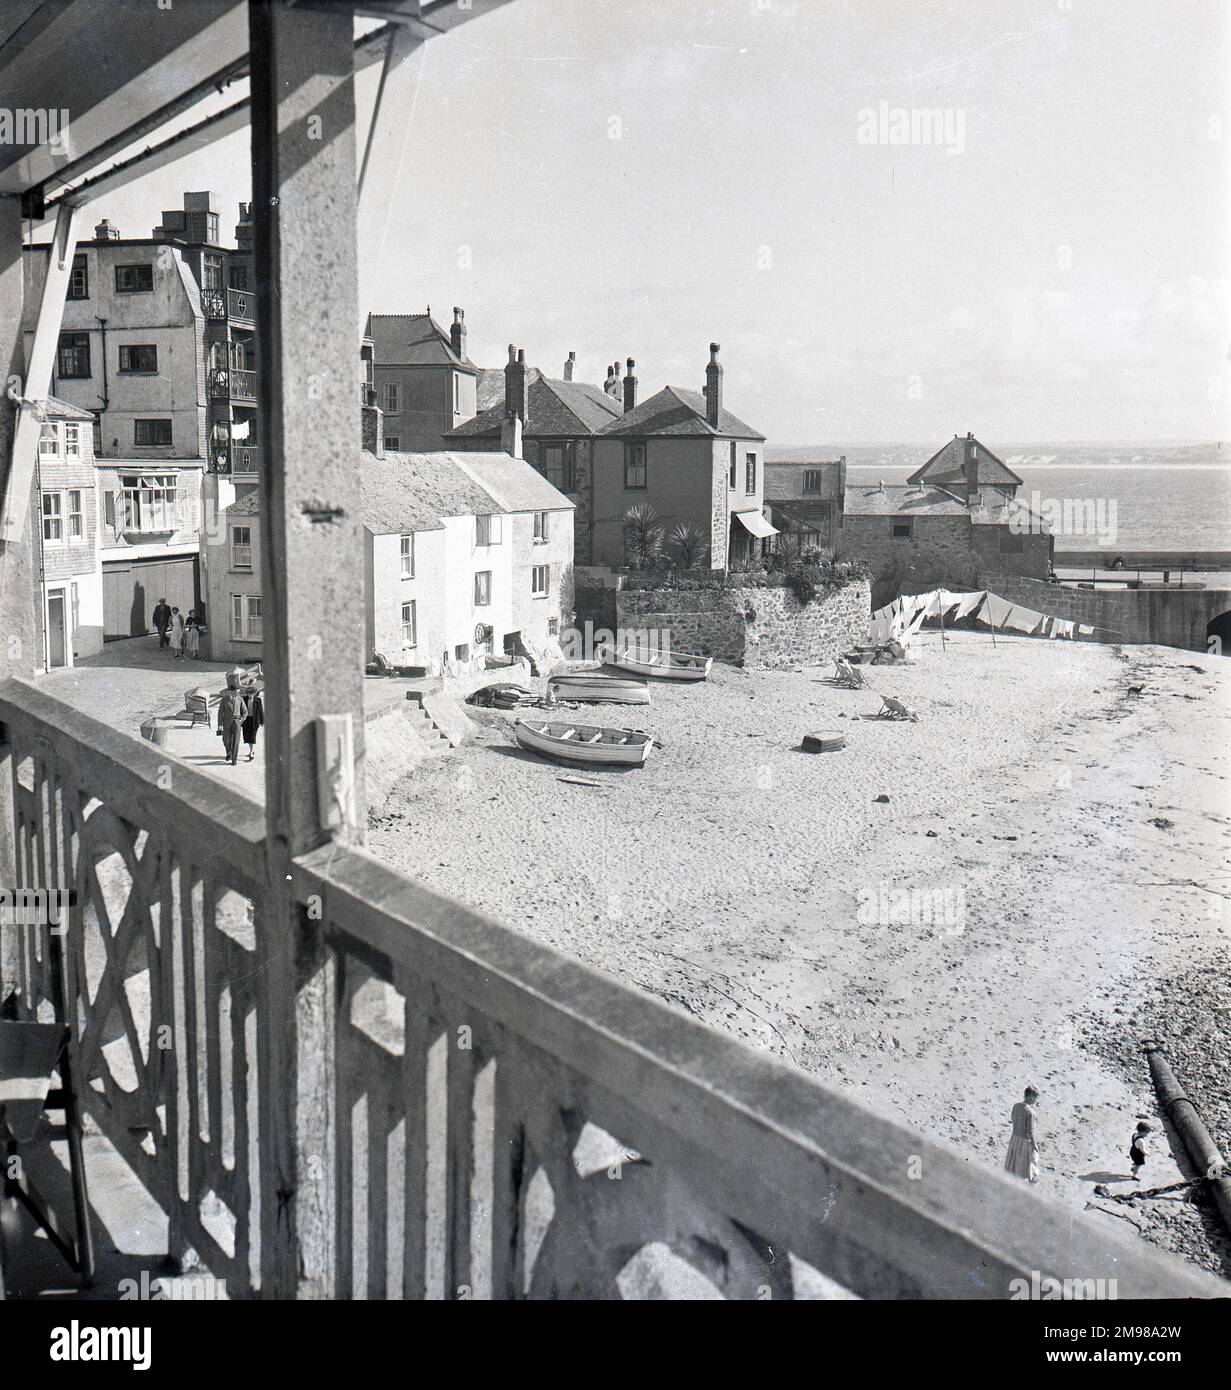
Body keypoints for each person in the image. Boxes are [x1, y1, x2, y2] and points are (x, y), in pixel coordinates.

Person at [1004, 1085, 1041, 1183]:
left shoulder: (1016, 1106)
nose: (1035, 1101)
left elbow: (1013, 1120)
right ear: (1031, 1096)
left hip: (1014, 1138)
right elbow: (1030, 1132)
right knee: (1028, 1165)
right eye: (1036, 1098)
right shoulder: (1030, 1112)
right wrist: (1034, 1145)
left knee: (1013, 1164)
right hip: (1024, 1141)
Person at [216, 673, 250, 766]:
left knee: (236, 741)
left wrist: (241, 720)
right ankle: (228, 752)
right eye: (236, 692)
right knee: (226, 740)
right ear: (231, 692)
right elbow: (220, 712)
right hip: (226, 722)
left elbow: (245, 711)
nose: (237, 693)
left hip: (237, 722)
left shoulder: (240, 699)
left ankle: (234, 760)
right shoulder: (224, 699)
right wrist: (219, 724)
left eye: (238, 692)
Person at [241, 685, 264, 761]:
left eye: (252, 694)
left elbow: (260, 711)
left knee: (252, 736)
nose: (250, 695)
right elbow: (241, 710)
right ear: (247, 693)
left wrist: (262, 721)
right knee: (247, 736)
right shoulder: (243, 699)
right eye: (249, 694)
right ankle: (251, 749)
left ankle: (251, 752)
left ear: (254, 693)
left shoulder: (258, 700)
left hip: (255, 720)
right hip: (246, 720)